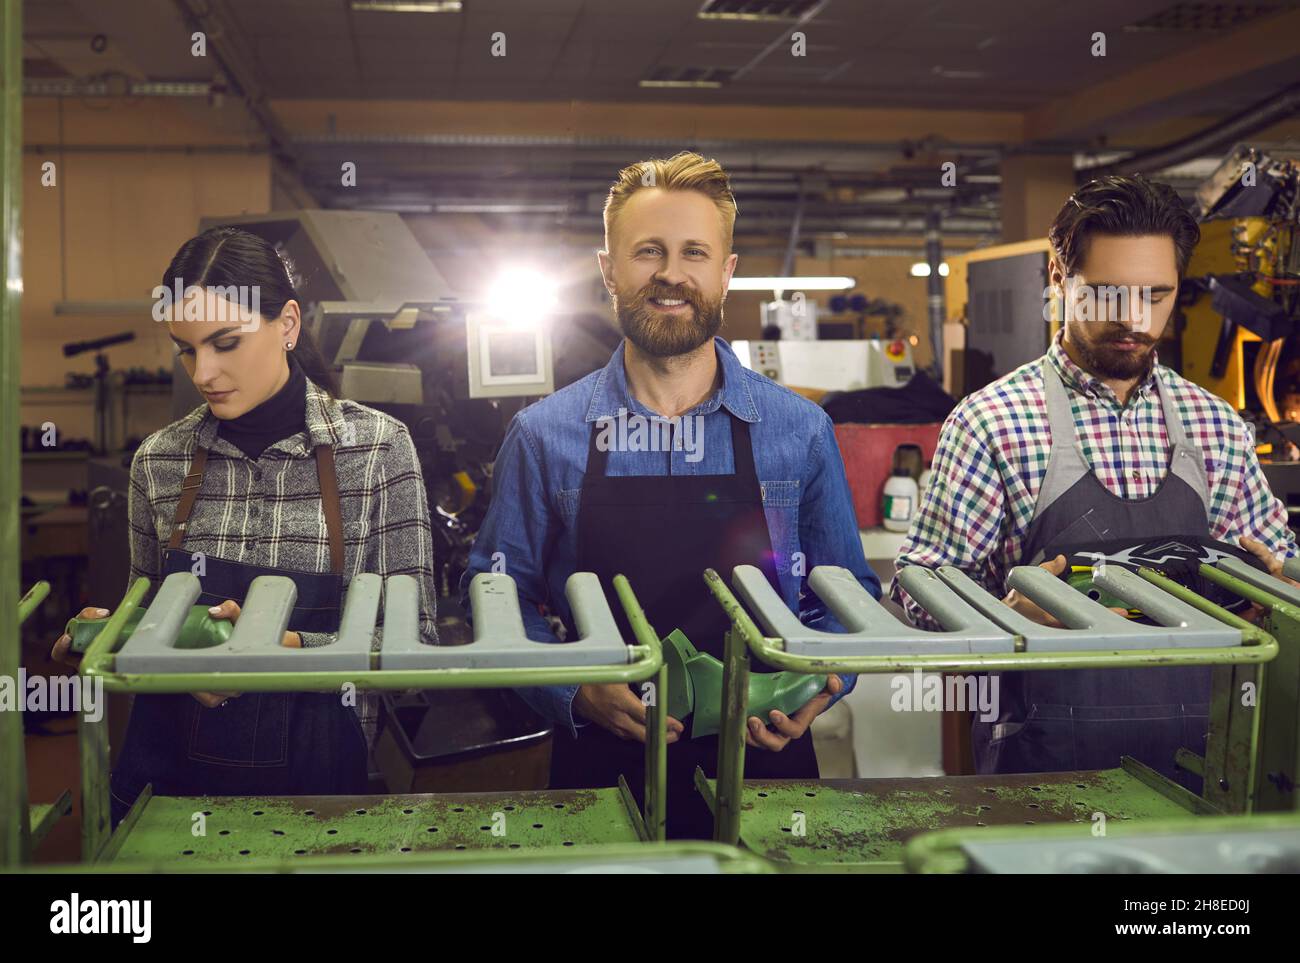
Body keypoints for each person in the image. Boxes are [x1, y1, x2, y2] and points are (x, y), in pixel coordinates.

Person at [461, 152, 880, 838]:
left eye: (694, 252)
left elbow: (847, 596)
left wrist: (820, 686)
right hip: (602, 780)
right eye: (647, 251)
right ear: (609, 270)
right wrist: (571, 692)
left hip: (764, 778)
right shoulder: (545, 436)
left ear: (727, 270)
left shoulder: (798, 430)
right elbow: (496, 596)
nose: (671, 274)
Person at [892, 175, 1298, 789]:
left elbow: (1283, 579)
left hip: (1207, 777)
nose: (1135, 318)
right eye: (1109, 293)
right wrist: (1004, 619)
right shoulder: (992, 422)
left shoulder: (1215, 424)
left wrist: (1276, 586)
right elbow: (914, 596)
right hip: (1045, 781)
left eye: (1157, 295)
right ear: (1059, 278)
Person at [51, 227, 439, 824]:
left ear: (287, 323)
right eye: (185, 348)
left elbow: (417, 653)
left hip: (321, 805)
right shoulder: (159, 461)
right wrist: (109, 641)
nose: (203, 372)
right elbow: (145, 623)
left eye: (224, 342)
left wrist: (287, 650)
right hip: (173, 801)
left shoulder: (378, 452)